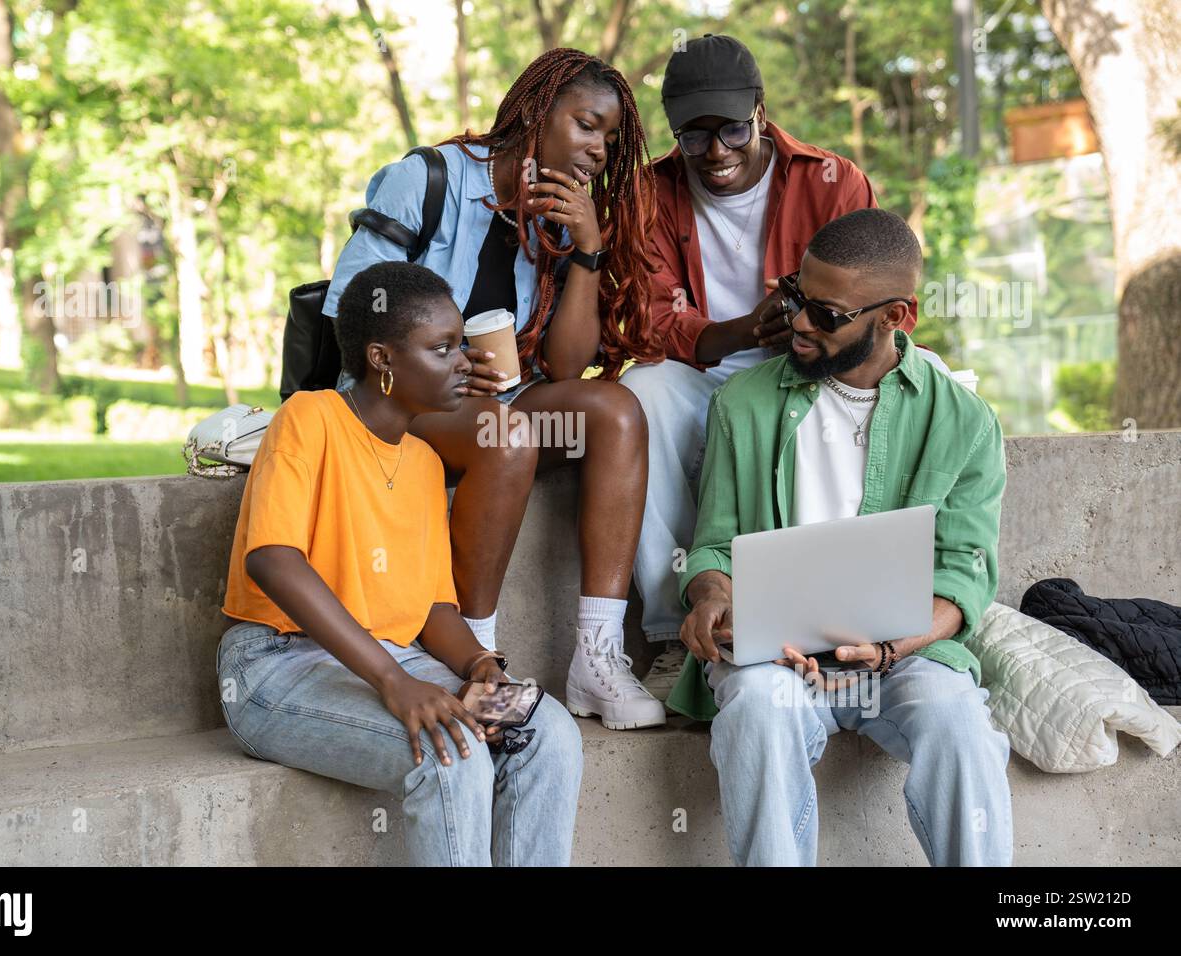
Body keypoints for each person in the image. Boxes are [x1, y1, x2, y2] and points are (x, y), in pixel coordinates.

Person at [322, 48, 666, 729]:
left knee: (615, 410)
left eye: (609, 139)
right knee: (503, 433)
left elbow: (567, 369)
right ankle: (471, 650)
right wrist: (440, 362)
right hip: (393, 406)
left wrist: (587, 246)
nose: (599, 149)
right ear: (537, 111)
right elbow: (350, 310)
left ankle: (596, 657)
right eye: (587, 125)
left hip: (496, 403)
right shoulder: (426, 179)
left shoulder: (556, 216)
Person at [668, 209, 1013, 866]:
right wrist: (710, 596)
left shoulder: (964, 421)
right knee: (759, 712)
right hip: (777, 656)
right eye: (797, 297)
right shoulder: (744, 402)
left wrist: (886, 650)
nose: (798, 322)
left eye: (826, 315)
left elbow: (963, 574)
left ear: (896, 318)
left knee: (960, 723)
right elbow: (714, 545)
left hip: (903, 656)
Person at [218, 261, 583, 866]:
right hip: (276, 667)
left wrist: (477, 662)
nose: (464, 361)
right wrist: (393, 681)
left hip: (398, 659)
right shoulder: (311, 419)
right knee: (453, 750)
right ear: (382, 359)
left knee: (547, 733)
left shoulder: (423, 463)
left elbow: (432, 604)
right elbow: (273, 559)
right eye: (442, 349)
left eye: (460, 345)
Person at [619, 34, 949, 702]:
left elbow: (869, 297)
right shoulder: (648, 196)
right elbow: (645, 323)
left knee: (928, 376)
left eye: (733, 130)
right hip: (704, 367)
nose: (715, 153)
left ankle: (871, 610)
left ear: (761, 113)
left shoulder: (830, 180)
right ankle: (669, 630)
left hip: (808, 362)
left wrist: (799, 331)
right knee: (640, 392)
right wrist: (739, 331)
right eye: (693, 137)